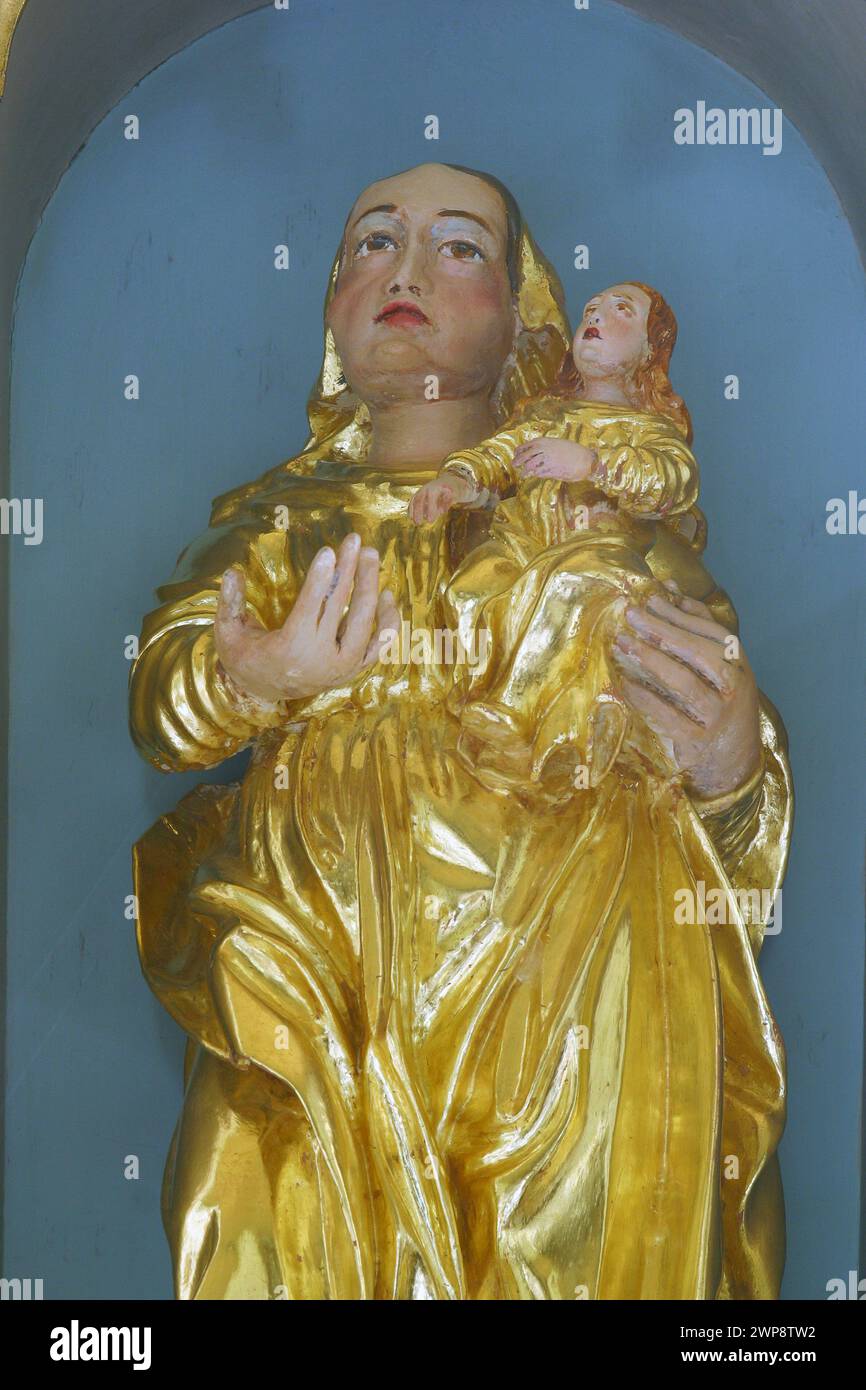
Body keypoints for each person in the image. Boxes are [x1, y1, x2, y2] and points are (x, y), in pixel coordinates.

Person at [129, 163, 792, 1300]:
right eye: (372, 241)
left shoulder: (594, 517)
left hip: (566, 977)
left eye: (458, 246)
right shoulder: (276, 518)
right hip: (320, 962)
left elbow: (718, 816)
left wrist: (731, 758)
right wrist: (259, 677)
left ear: (524, 319)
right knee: (253, 1194)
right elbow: (165, 696)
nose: (406, 266)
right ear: (334, 309)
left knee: (582, 1227)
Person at [409, 281, 705, 793]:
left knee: (573, 582)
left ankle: (528, 721)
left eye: (621, 311)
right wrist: (457, 481)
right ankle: (475, 711)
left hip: (600, 557)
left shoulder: (645, 426)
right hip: (525, 549)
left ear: (649, 350)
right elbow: (498, 455)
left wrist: (592, 464)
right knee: (469, 588)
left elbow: (672, 480)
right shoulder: (545, 417)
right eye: (590, 308)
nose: (596, 315)